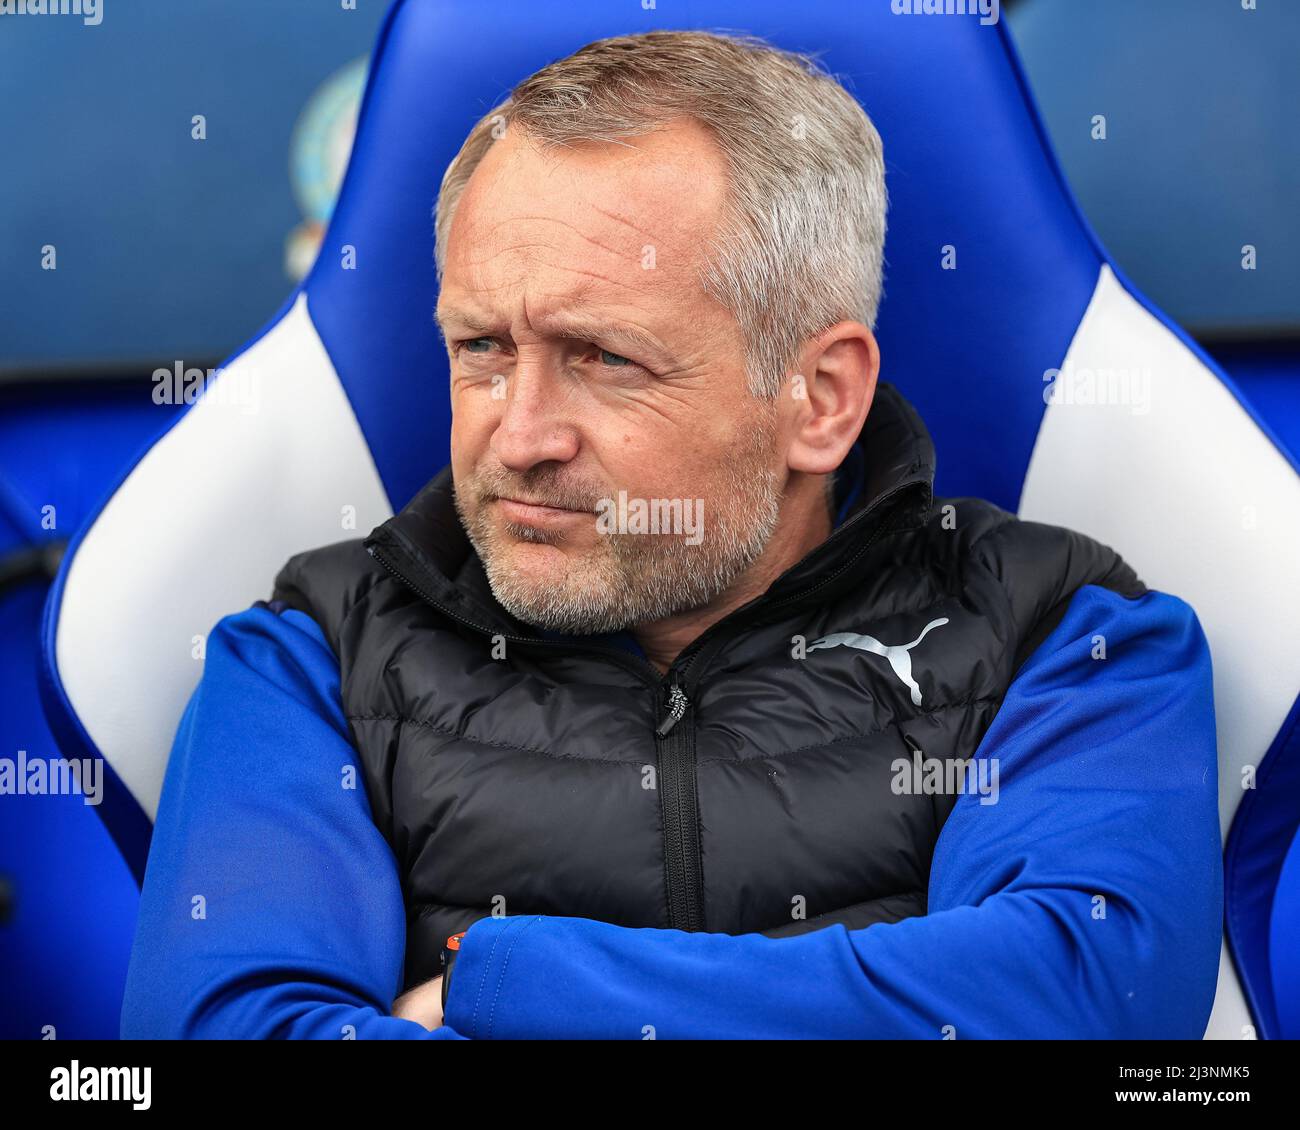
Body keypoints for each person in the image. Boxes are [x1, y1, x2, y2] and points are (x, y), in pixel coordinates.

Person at [121, 29, 1221, 1040]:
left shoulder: (1067, 633)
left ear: (820, 398)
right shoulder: (310, 655)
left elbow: (1085, 1005)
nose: (521, 436)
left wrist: (501, 983)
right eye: (482, 348)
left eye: (605, 357)